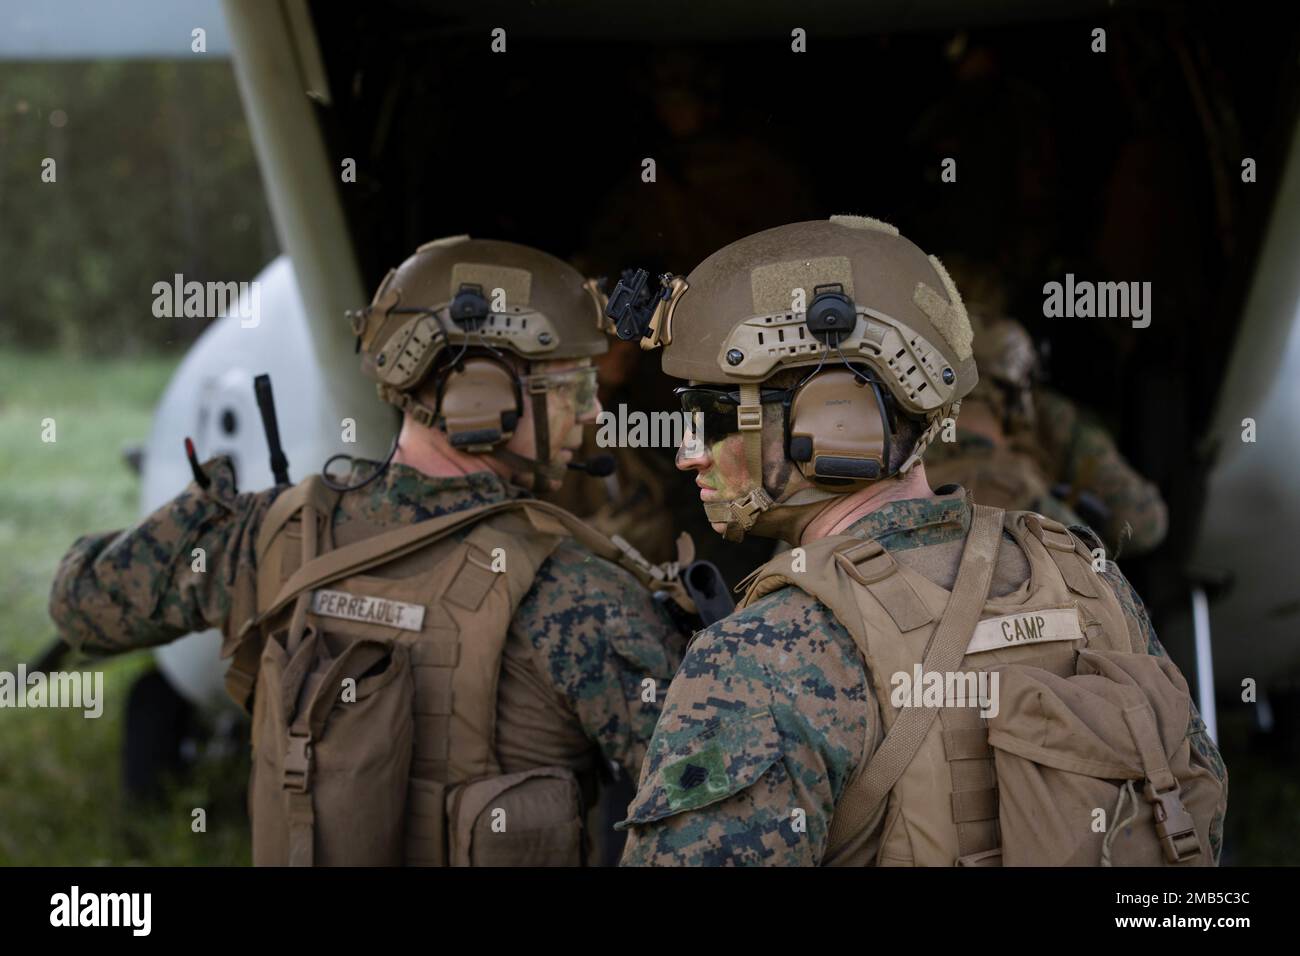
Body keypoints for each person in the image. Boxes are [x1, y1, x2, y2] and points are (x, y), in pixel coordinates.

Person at [49, 236, 687, 866]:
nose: (594, 412)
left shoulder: (265, 536)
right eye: (573, 389)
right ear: (479, 396)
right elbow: (715, 813)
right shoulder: (581, 595)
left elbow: (81, 603)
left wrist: (218, 514)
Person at [614, 216, 1226, 866]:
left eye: (710, 418)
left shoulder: (760, 660)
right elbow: (1196, 819)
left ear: (833, 419)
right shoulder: (1086, 576)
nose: (686, 456)